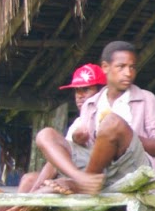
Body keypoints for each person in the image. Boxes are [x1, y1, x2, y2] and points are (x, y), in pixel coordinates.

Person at [35, 41, 155, 193]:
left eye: (132, 67)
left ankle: (84, 185)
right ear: (105, 67)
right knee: (45, 134)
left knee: (112, 122)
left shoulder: (147, 99)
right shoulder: (91, 104)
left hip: (132, 167)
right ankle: (80, 178)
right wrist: (79, 139)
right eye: (121, 67)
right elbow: (90, 150)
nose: (128, 73)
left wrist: (124, 135)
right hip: (99, 171)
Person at [19, 64, 107, 192]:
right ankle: (18, 207)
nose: (79, 95)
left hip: (97, 174)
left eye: (86, 89)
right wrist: (33, 191)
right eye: (77, 90)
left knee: (47, 135)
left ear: (101, 91)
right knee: (28, 179)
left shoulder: (108, 111)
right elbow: (56, 161)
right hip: (73, 171)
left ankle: (19, 205)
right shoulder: (78, 122)